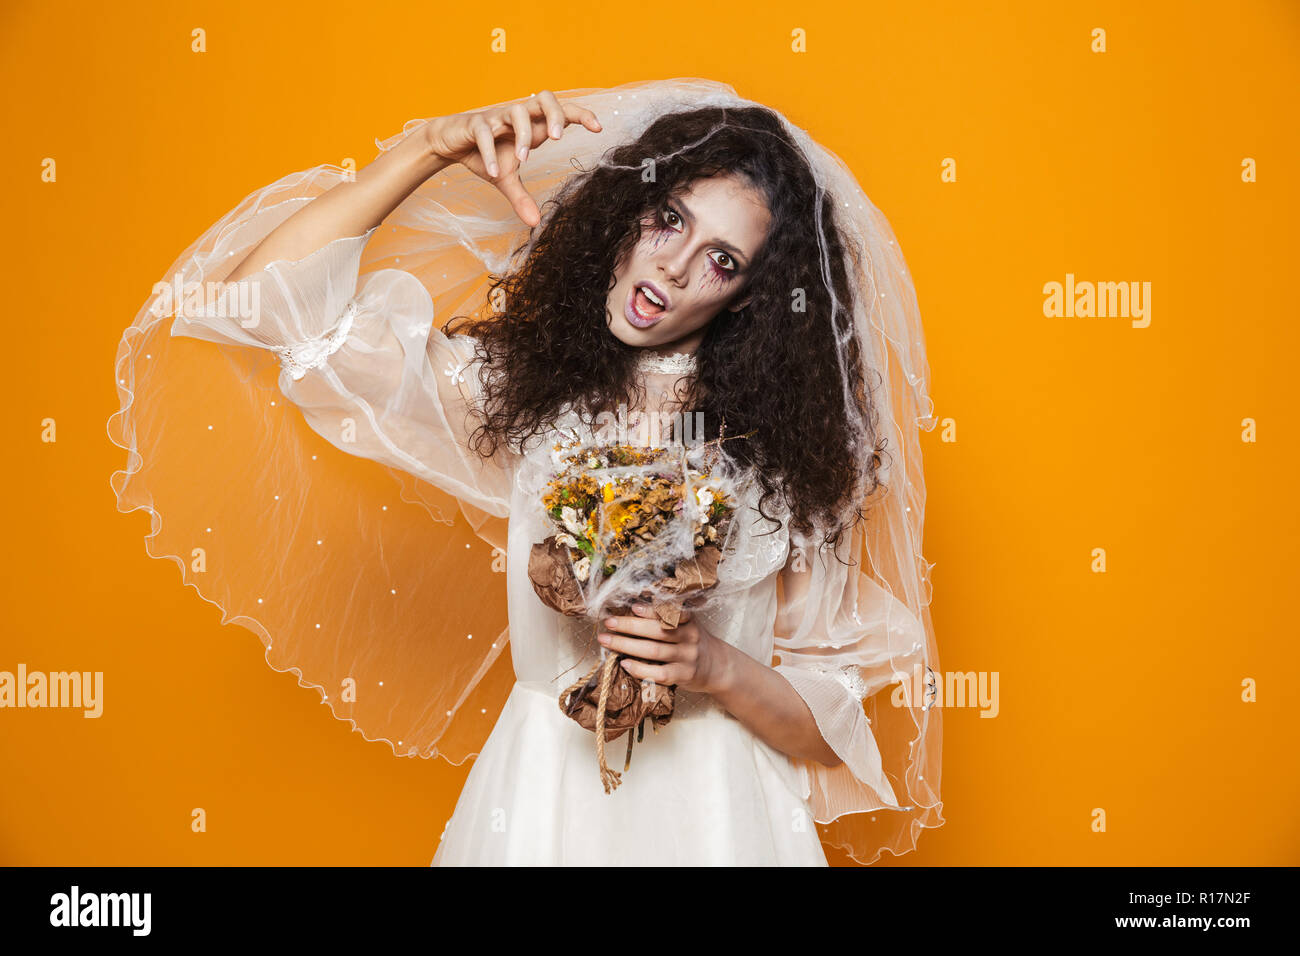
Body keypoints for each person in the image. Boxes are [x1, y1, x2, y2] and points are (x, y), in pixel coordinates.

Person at [110, 78, 943, 865]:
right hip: (542, 803)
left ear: (752, 298)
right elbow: (262, 308)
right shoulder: (524, 401)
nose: (675, 265)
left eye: (723, 261)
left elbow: (822, 733)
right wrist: (426, 150)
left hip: (720, 822)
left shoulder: (778, 459)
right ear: (626, 215)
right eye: (667, 218)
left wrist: (711, 664)